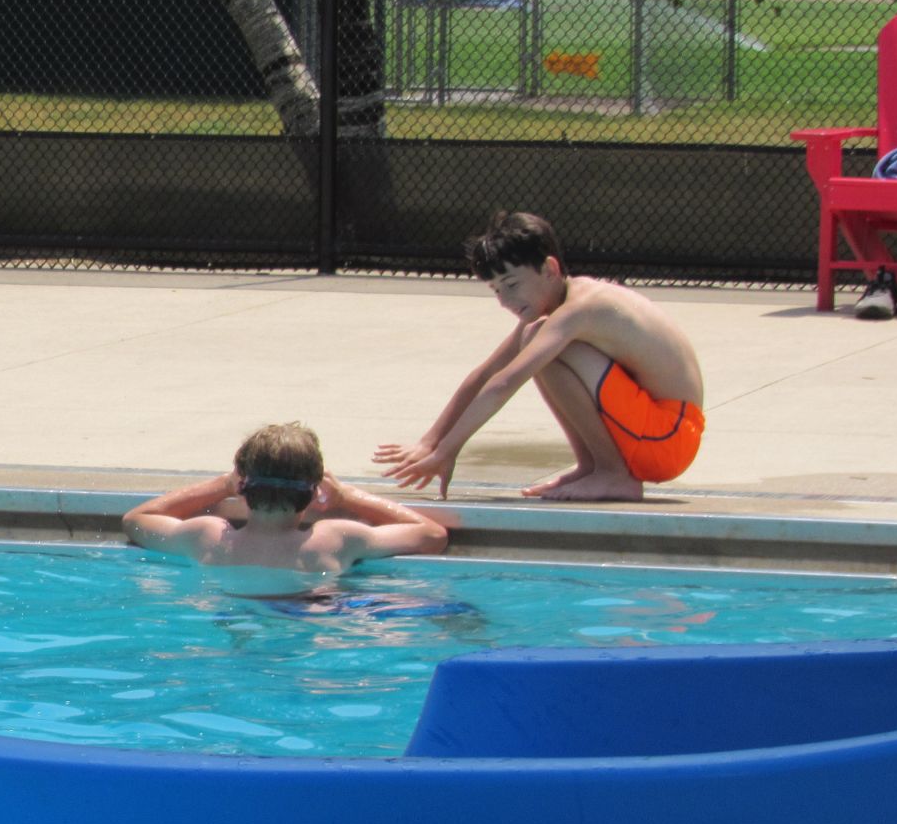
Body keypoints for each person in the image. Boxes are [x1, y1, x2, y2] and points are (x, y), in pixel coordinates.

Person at [374, 211, 706, 502]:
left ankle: (612, 472)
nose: (504, 300)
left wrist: (448, 451)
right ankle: (593, 467)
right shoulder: (556, 308)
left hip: (668, 438)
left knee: (538, 344)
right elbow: (485, 374)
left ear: (549, 268)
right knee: (535, 341)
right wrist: (430, 443)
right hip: (660, 434)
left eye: (512, 284)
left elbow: (505, 382)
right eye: (496, 290)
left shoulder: (579, 309)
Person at [122, 422, 450, 592]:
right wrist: (347, 496)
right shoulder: (336, 538)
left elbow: (138, 519)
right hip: (314, 620)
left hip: (231, 617)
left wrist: (219, 485)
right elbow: (433, 535)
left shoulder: (208, 537)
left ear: (242, 485)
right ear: (315, 488)